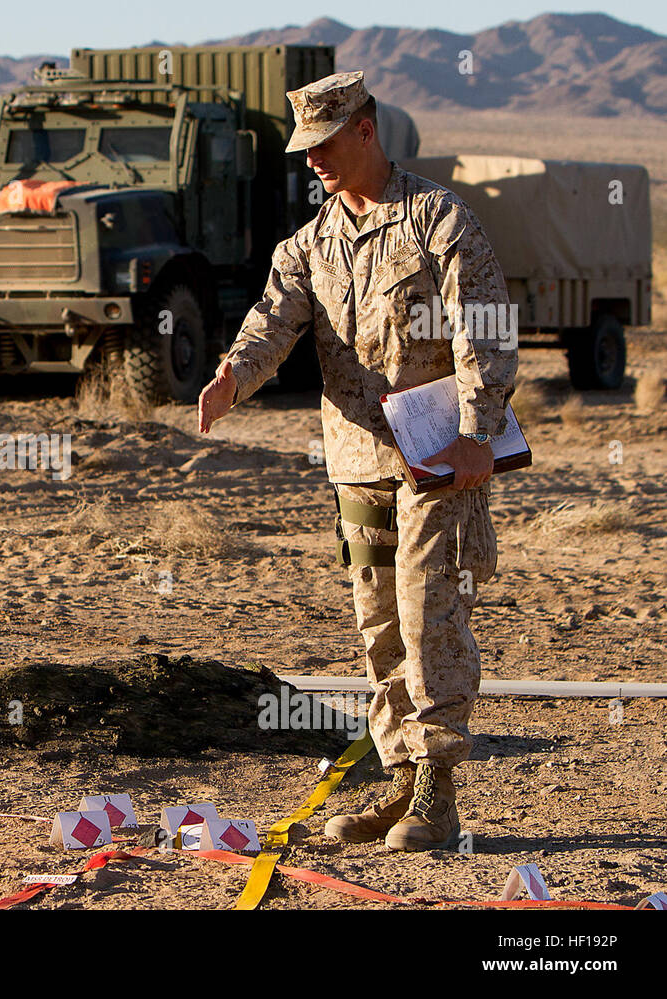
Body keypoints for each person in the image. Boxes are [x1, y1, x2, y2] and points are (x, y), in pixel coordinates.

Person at [197, 70, 517, 852]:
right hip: (355, 460)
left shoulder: (441, 220)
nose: (312, 160)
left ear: (366, 132)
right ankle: (400, 779)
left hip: (437, 456)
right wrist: (236, 373)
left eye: (324, 144)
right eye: (303, 148)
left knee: (427, 609)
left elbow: (488, 326)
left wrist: (478, 430)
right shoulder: (311, 242)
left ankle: (438, 793)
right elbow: (274, 319)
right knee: (377, 623)